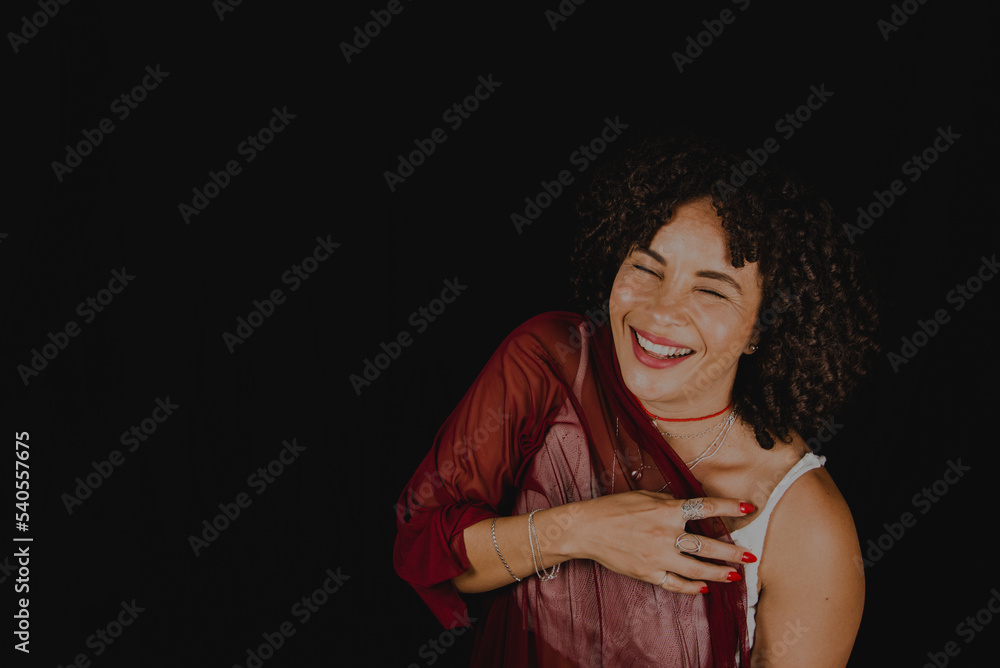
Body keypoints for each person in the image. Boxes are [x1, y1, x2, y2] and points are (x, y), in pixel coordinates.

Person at [393, 135, 879, 667]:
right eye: (646, 269)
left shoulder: (804, 520)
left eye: (712, 290)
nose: (660, 311)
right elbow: (427, 548)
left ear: (763, 326)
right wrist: (581, 530)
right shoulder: (552, 364)